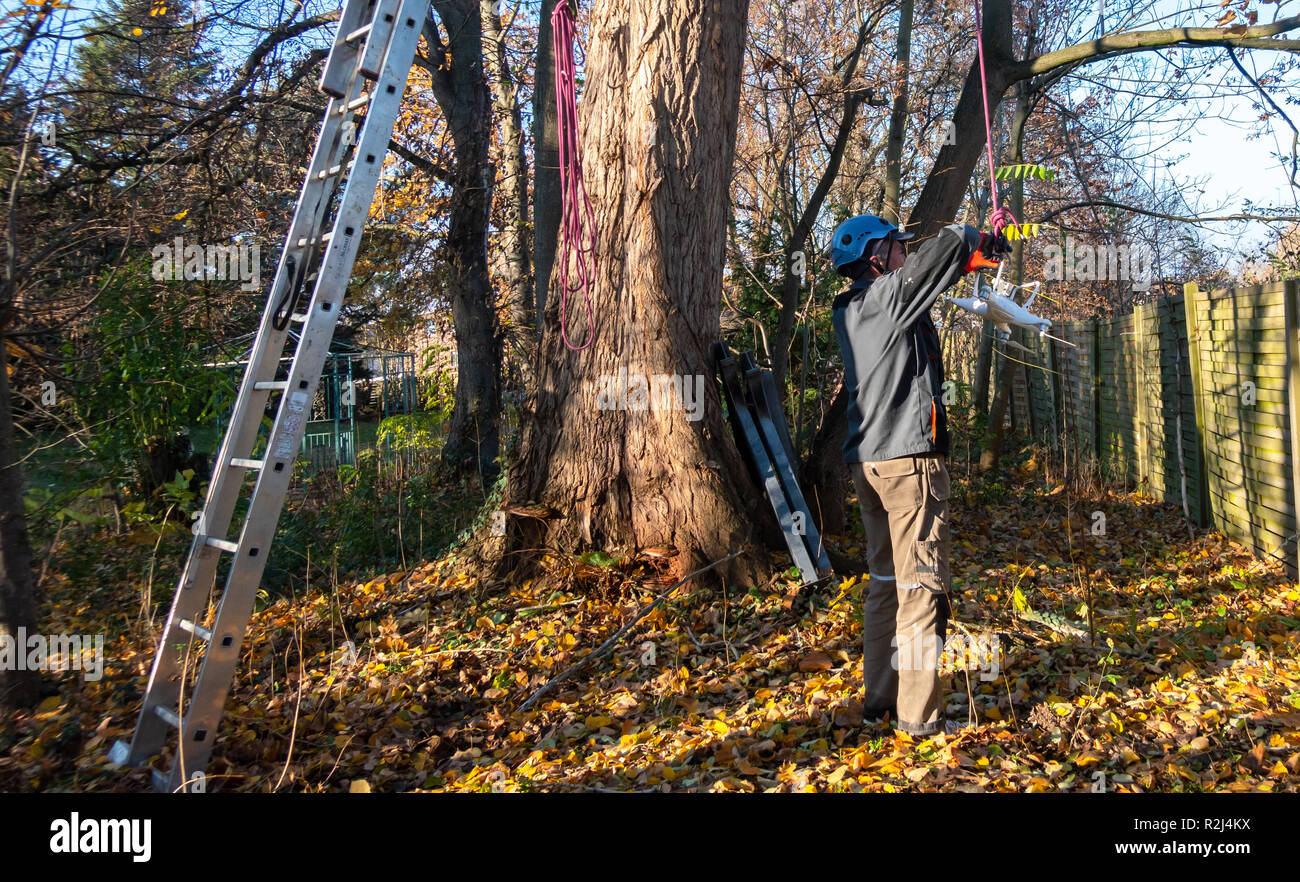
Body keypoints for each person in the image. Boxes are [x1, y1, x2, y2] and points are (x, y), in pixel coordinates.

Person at [829, 214, 1009, 737]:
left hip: (871, 464)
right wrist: (977, 235)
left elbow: (931, 272)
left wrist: (971, 258)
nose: (906, 254)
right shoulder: (884, 299)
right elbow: (945, 245)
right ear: (875, 258)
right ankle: (919, 721)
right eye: (897, 248)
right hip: (908, 465)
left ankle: (881, 703)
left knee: (886, 582)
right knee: (921, 588)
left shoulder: (859, 309)